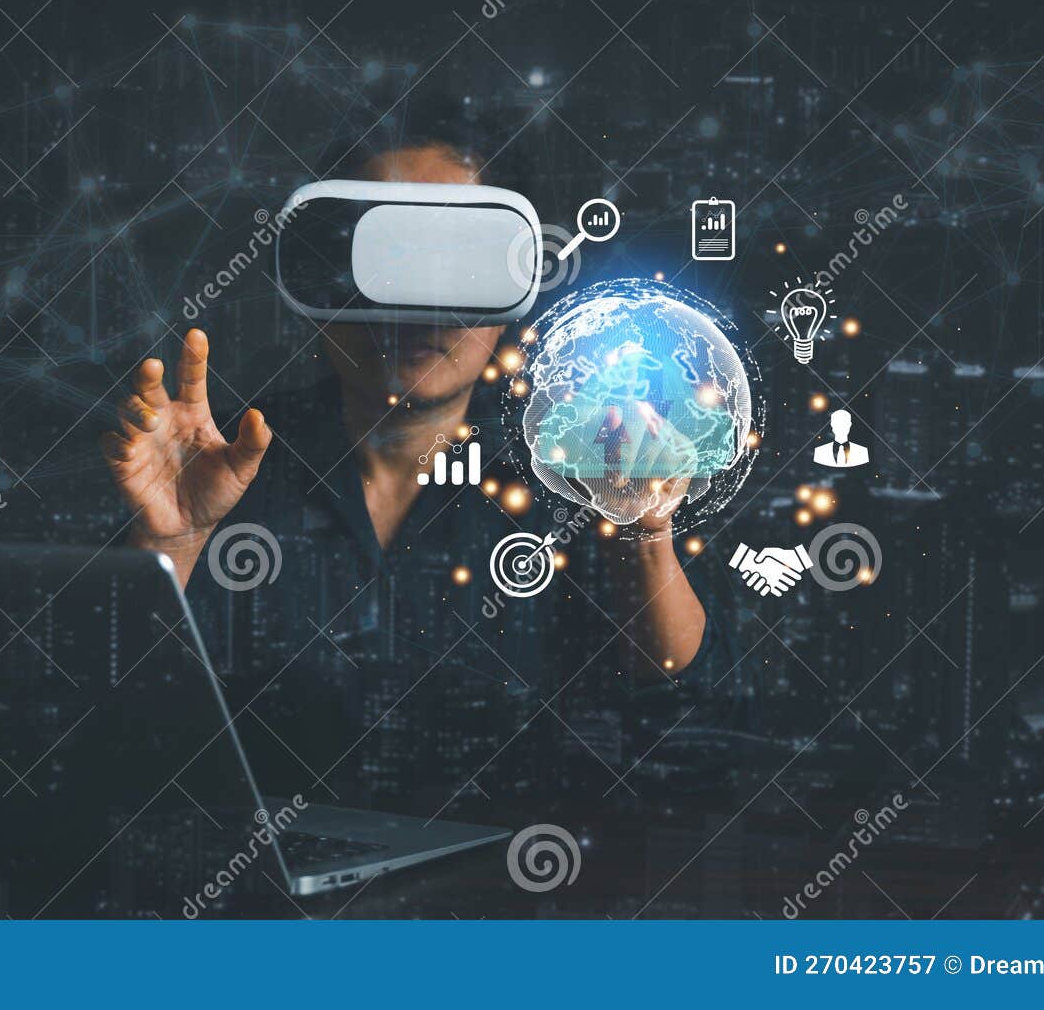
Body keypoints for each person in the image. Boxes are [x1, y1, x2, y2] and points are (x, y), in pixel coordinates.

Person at [100, 142, 722, 803]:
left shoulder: (578, 466)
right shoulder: (217, 463)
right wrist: (170, 543)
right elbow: (112, 724)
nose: (421, 307)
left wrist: (643, 531)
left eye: (460, 261)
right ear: (324, 275)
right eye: (387, 254)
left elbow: (682, 715)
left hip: (505, 887)